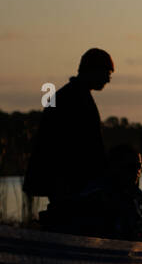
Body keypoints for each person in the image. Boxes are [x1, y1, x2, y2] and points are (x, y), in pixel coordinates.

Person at [23, 48, 115, 230]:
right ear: (93, 70)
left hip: (65, 182)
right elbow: (87, 145)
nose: (108, 79)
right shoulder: (75, 98)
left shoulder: (69, 95)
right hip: (69, 183)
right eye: (106, 73)